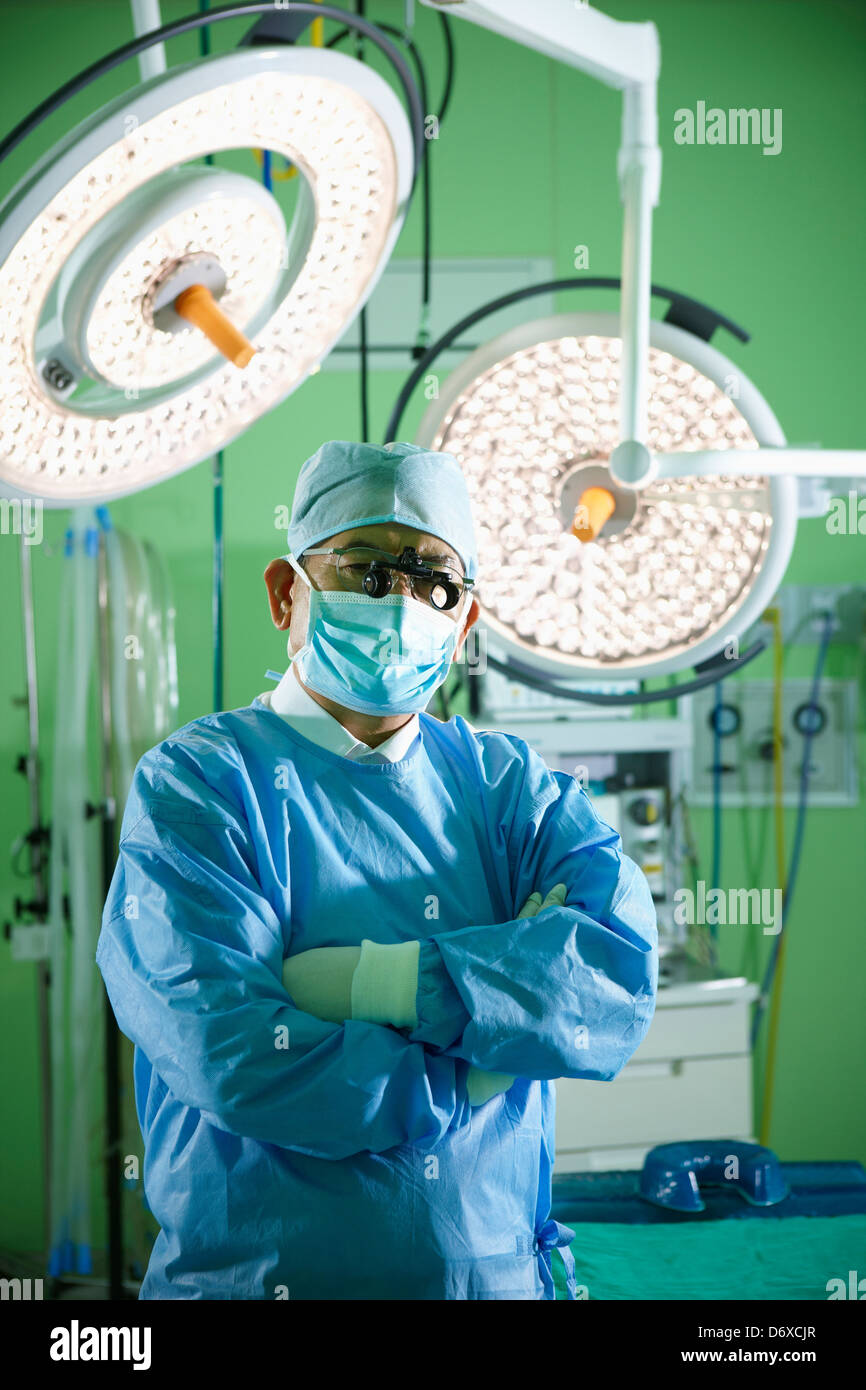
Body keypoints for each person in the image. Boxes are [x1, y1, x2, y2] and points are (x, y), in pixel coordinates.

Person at [96, 439, 658, 1300]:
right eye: (364, 569)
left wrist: (374, 985)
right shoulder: (203, 785)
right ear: (289, 593)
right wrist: (483, 1061)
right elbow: (231, 1054)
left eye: (436, 582)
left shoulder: (510, 790)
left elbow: (612, 974)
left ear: (464, 623)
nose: (402, 602)